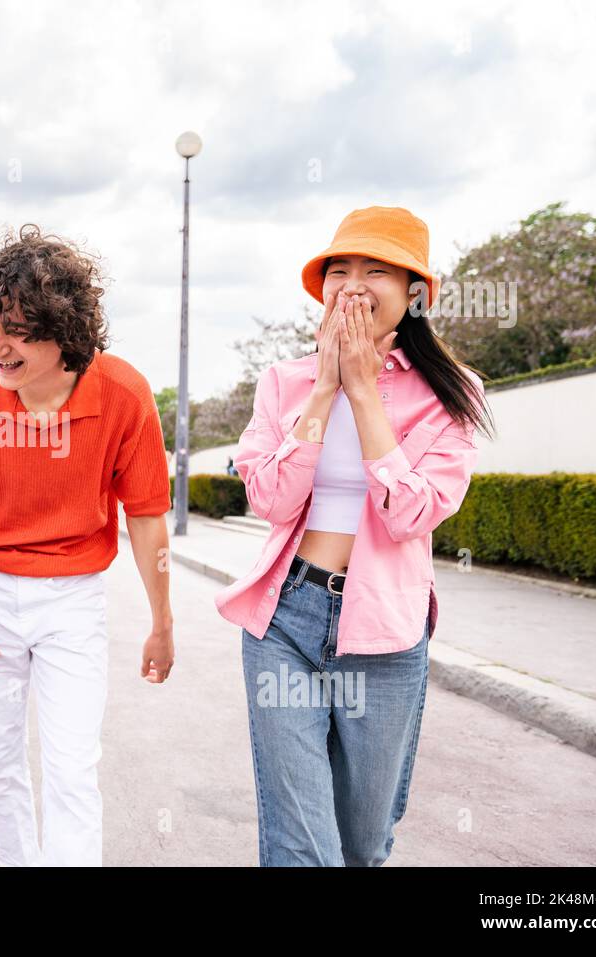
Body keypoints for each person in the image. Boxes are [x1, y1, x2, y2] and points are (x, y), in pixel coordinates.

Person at [215, 207, 494, 866]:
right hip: (286, 618)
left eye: (376, 269)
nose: (352, 282)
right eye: (339, 268)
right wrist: (323, 391)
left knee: (362, 843)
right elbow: (270, 498)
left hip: (385, 630)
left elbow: (412, 514)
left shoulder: (450, 395)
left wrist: (365, 394)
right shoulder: (284, 382)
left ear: (415, 293)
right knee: (301, 842)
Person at [0, 224, 175, 867]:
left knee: (71, 768)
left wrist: (162, 621)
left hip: (73, 598)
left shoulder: (122, 392)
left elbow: (145, 517)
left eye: (18, 331)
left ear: (67, 331)